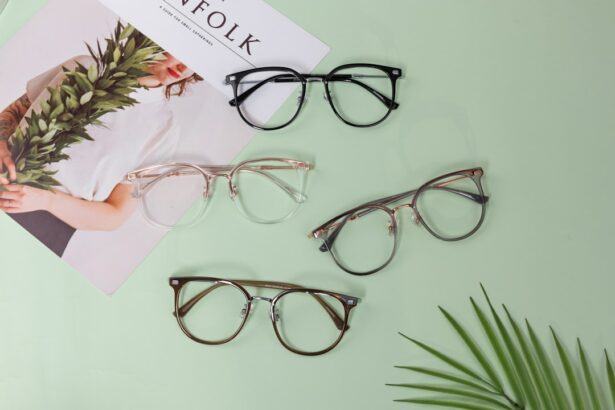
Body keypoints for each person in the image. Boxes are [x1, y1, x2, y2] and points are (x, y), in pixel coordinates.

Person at [0, 51, 202, 256]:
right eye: (182, 53)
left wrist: (46, 200)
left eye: (197, 63)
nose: (184, 68)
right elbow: (16, 111)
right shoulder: (85, 67)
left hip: (43, 227)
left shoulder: (164, 128)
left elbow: (116, 213)